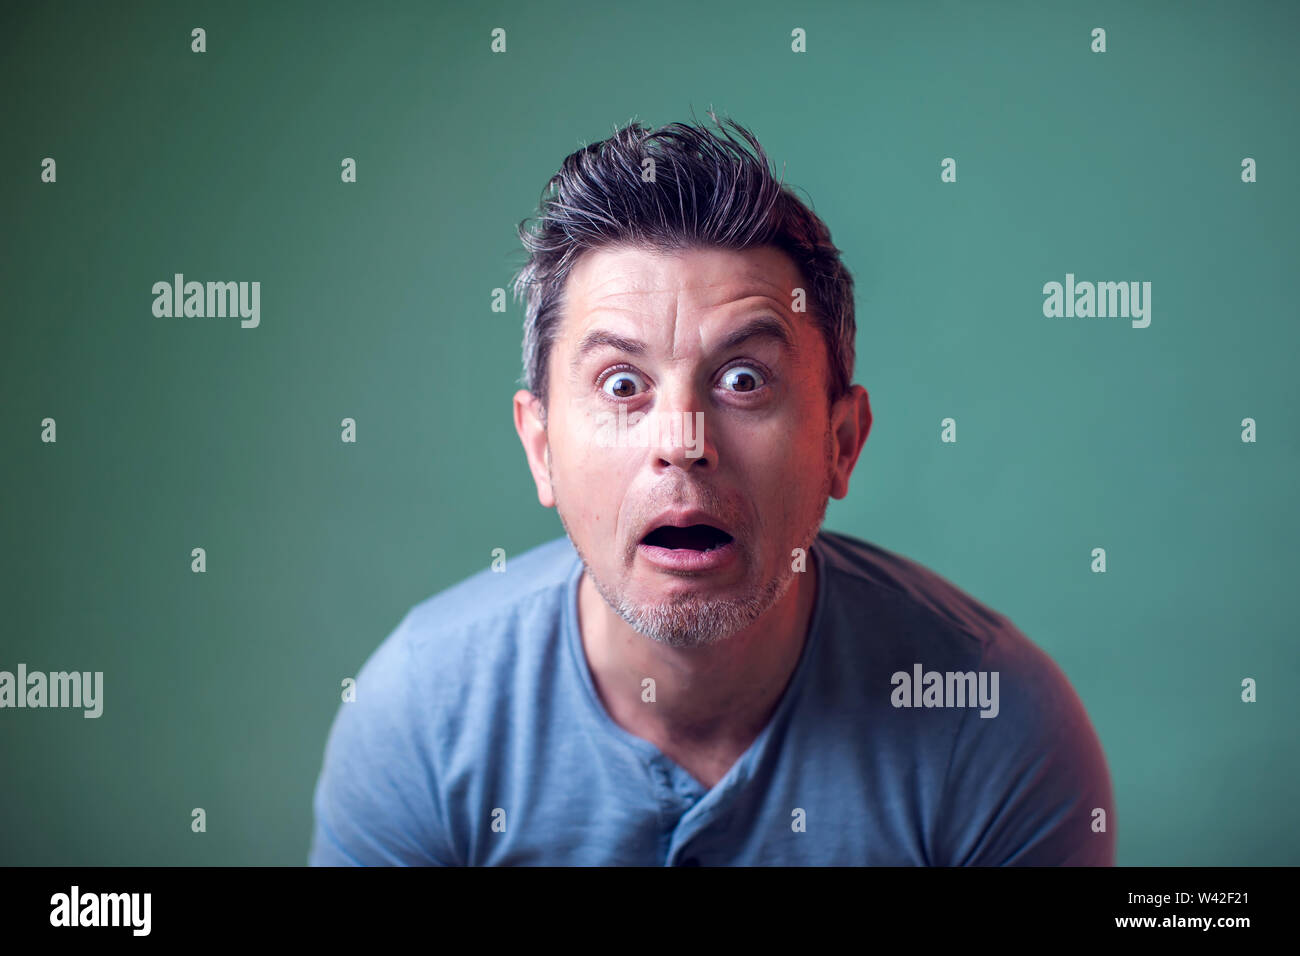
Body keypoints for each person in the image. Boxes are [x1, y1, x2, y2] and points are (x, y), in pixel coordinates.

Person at [308, 111, 1115, 865]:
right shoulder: (419, 718)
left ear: (841, 443)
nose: (684, 444)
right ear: (542, 446)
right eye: (622, 385)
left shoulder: (995, 725)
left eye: (741, 379)